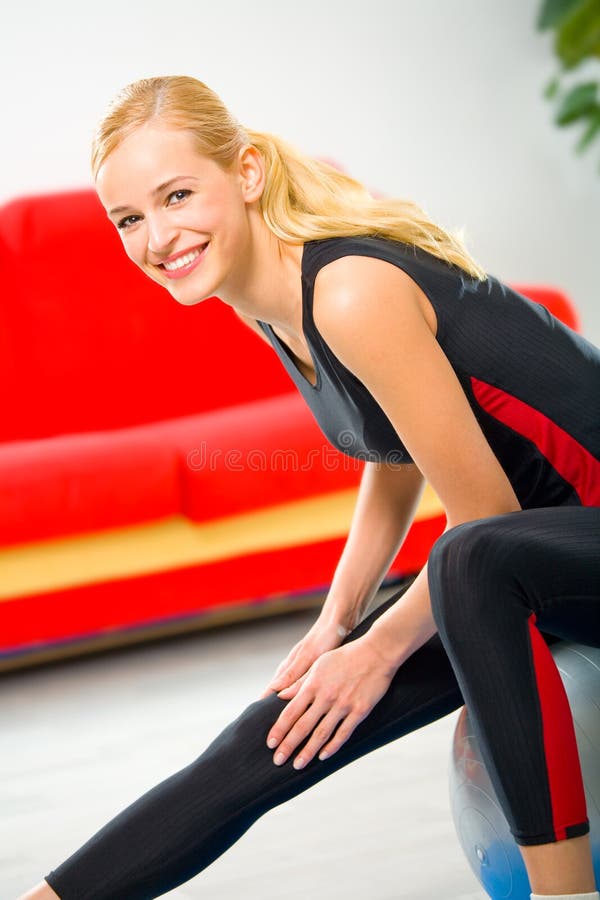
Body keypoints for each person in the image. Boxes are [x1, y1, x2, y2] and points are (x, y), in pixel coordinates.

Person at [19, 75, 599, 900]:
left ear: (246, 173)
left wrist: (380, 644)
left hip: (536, 558)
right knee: (282, 726)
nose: (158, 237)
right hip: (532, 570)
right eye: (129, 219)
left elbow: (487, 517)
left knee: (464, 561)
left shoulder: (351, 289)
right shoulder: (265, 300)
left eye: (177, 195)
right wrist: (336, 624)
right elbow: (391, 450)